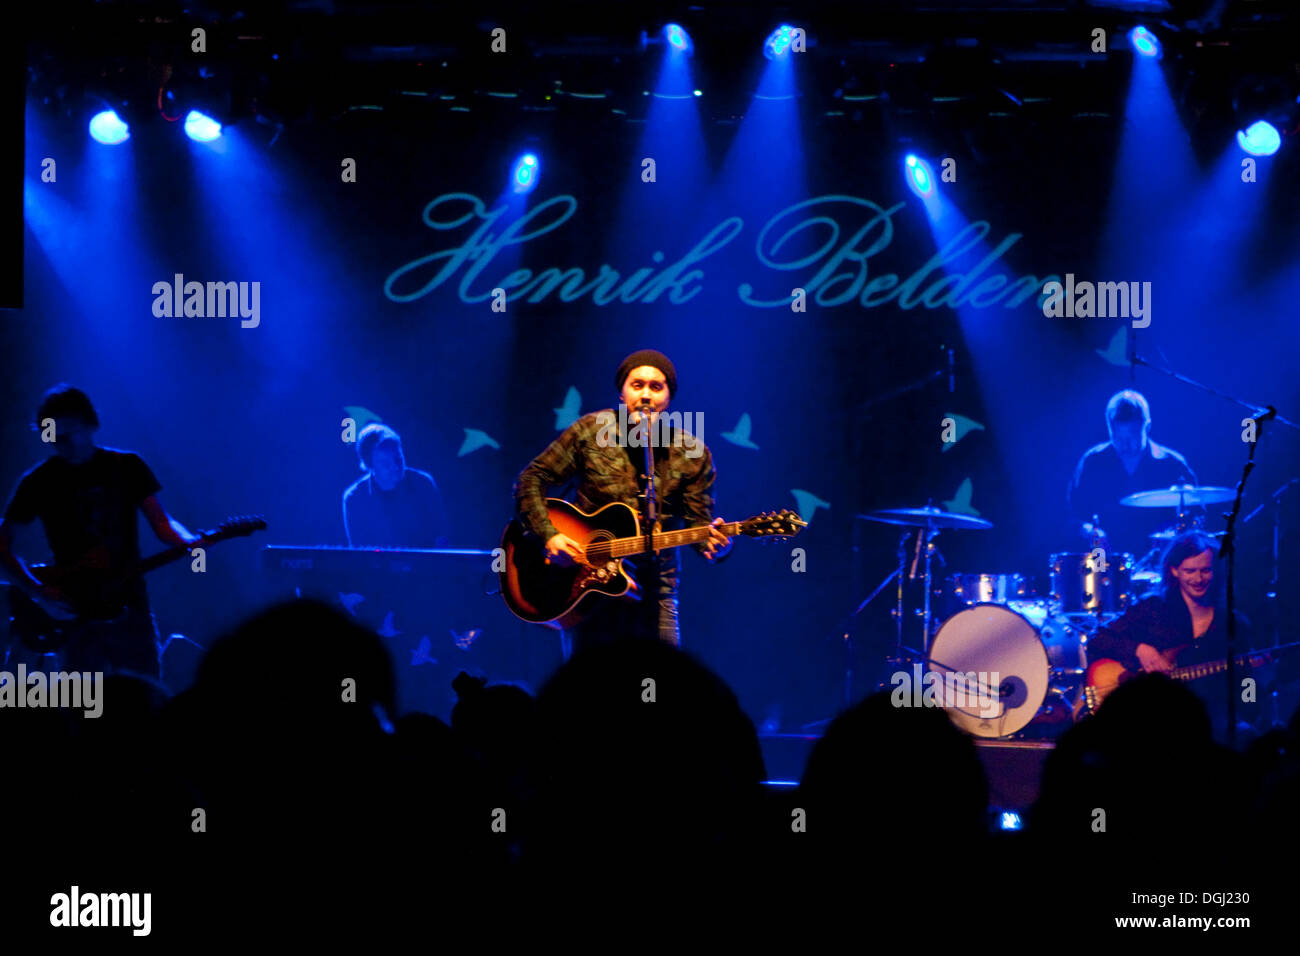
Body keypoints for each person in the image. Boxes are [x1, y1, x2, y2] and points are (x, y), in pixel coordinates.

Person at [513, 349, 732, 658]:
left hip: (657, 590)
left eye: (656, 387)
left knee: (663, 692)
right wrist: (550, 535)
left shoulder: (693, 453)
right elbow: (531, 479)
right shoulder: (590, 431)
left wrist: (717, 545)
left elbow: (699, 529)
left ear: (668, 398)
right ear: (622, 392)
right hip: (586, 585)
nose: (645, 395)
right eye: (637, 384)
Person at [0, 385, 200, 677]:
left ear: (91, 424)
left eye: (69, 433)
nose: (61, 443)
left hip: (130, 607)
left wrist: (191, 542)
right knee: (83, 710)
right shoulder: (39, 481)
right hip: (74, 613)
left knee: (142, 700)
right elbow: (2, 545)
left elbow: (163, 524)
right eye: (54, 436)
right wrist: (40, 593)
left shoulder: (128, 466)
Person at [1086, 531, 1262, 740]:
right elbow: (1098, 640)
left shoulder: (1234, 623)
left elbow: (1246, 683)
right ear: (1174, 571)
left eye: (1205, 571)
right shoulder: (1153, 609)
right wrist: (1140, 650)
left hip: (1212, 720)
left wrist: (1248, 712)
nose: (1198, 579)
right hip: (1155, 719)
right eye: (1190, 571)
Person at [1067, 389, 1199, 558]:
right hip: (1103, 560)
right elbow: (1071, 516)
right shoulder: (1093, 462)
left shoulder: (1173, 465)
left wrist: (1172, 531)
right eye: (1118, 438)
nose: (1125, 446)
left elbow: (1196, 519)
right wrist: (1089, 531)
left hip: (1162, 564)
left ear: (1148, 427)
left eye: (1133, 437)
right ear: (1109, 429)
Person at [342, 423, 448, 548]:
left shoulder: (423, 484)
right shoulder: (355, 498)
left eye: (398, 459)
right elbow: (359, 553)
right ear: (370, 466)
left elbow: (441, 537)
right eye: (386, 463)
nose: (396, 467)